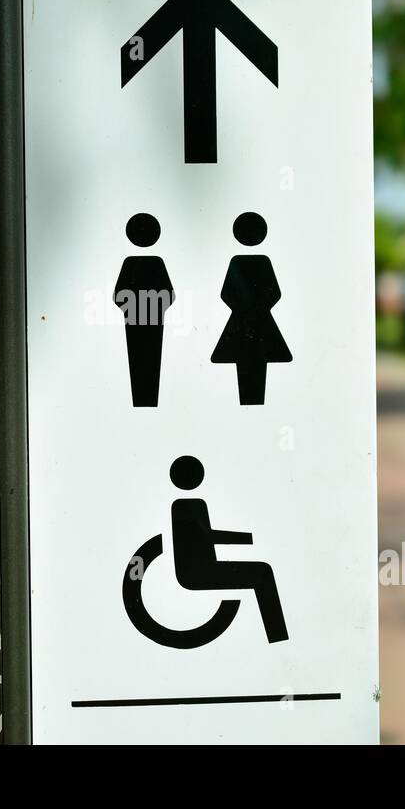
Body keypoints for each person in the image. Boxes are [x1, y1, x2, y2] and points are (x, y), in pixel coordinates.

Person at [168, 455, 288, 643]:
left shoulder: (195, 505)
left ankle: (278, 637)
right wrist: (246, 538)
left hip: (205, 568)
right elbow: (203, 537)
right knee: (262, 572)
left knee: (262, 571)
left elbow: (205, 536)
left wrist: (244, 538)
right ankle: (278, 637)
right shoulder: (183, 507)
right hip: (195, 573)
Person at [210, 212, 292, 405]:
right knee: (254, 361)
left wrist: (244, 310)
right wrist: (257, 309)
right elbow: (275, 293)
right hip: (259, 323)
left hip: (244, 323)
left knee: (248, 361)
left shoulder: (240, 261)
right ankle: (252, 406)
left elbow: (226, 294)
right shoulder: (259, 261)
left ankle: (251, 406)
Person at [114, 212, 175, 407]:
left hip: (137, 318)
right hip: (150, 318)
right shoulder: (152, 262)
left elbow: (118, 295)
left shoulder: (133, 263)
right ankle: (145, 402)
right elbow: (169, 294)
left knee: (142, 359)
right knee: (146, 358)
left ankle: (145, 402)